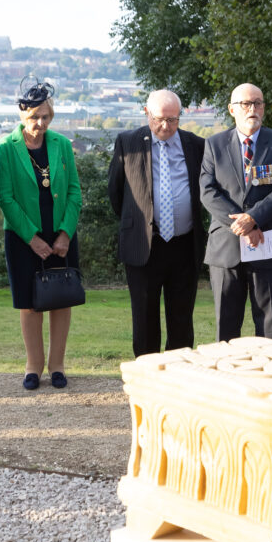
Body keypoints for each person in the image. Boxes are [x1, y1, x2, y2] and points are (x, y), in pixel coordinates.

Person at [0, 79, 82, 389]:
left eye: (46, 117)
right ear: (22, 114)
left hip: (61, 235)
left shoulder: (61, 145)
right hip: (22, 237)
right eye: (34, 117)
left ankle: (57, 366)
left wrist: (65, 234)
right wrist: (32, 237)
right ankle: (33, 366)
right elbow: (4, 198)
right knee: (30, 303)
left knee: (61, 297)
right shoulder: (5, 148)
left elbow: (74, 192)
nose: (40, 123)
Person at [108, 89, 205, 357]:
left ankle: (178, 379)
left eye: (173, 120)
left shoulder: (196, 145)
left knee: (182, 320)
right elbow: (115, 193)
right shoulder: (128, 142)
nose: (166, 126)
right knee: (144, 321)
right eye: (160, 119)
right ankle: (148, 380)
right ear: (147, 114)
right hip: (143, 247)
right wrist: (140, 224)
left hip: (184, 246)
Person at [199, 83, 272, 342]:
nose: (252, 108)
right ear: (232, 109)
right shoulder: (214, 145)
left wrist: (254, 219)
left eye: (257, 103)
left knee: (268, 327)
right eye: (245, 104)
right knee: (226, 329)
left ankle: (267, 382)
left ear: (264, 107)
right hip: (226, 248)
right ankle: (227, 381)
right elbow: (207, 191)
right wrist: (241, 224)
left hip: (267, 246)